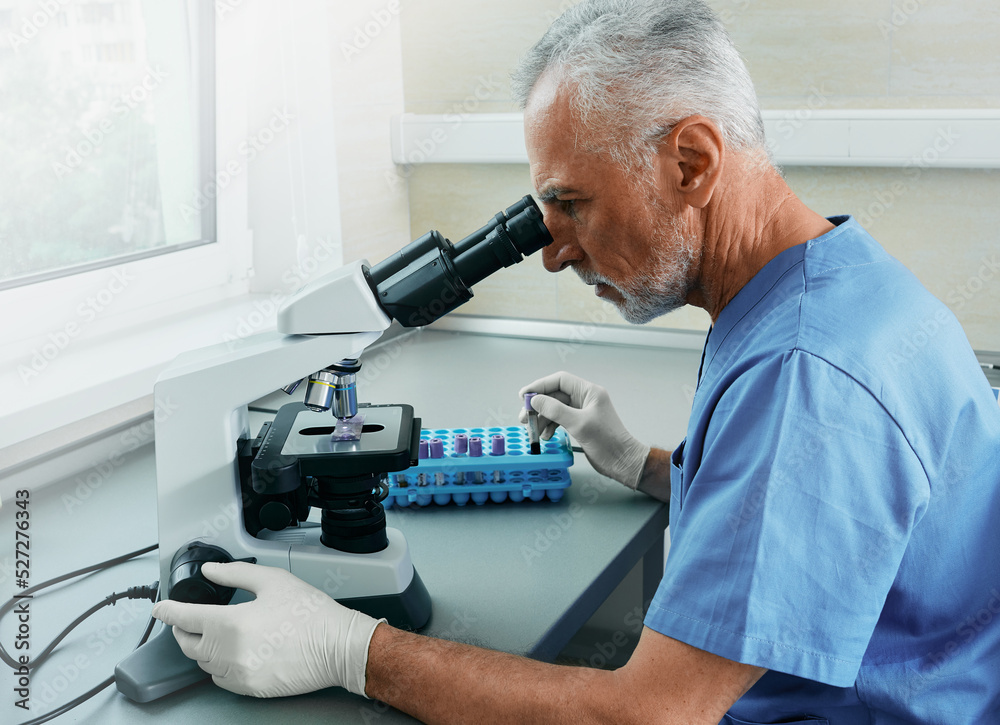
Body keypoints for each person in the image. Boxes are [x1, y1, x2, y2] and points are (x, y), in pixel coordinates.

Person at [152, 0, 1000, 722]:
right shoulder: (831, 286)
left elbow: (648, 713)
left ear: (692, 163)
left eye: (569, 203)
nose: (553, 252)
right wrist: (646, 463)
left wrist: (350, 649)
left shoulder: (806, 374)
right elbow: (823, 519)